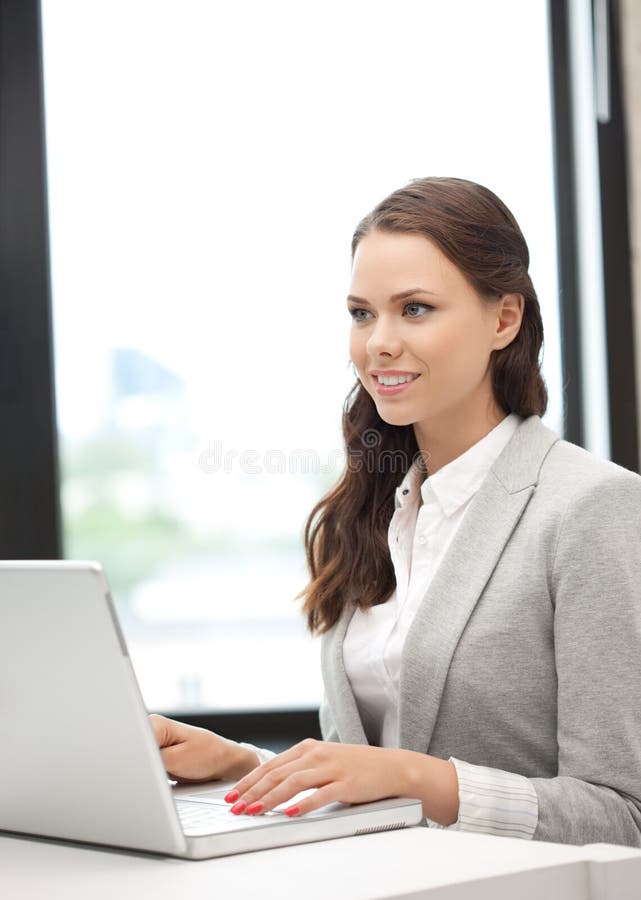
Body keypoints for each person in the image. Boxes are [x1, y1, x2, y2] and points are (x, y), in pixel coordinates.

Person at [151, 176, 641, 846]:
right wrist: (245, 767)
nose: (378, 342)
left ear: (504, 319)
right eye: (361, 313)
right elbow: (369, 777)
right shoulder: (366, 511)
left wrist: (417, 778)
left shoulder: (592, 507)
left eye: (414, 309)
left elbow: (623, 814)